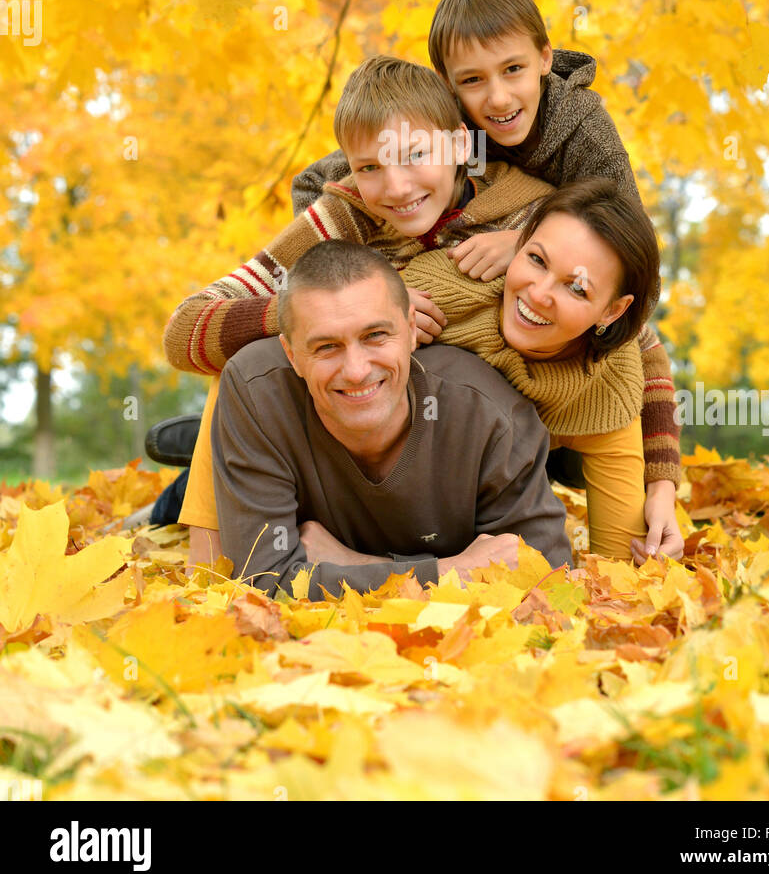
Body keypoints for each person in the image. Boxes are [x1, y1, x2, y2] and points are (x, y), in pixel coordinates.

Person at [159, 56, 679, 564]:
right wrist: (308, 313)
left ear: (459, 143)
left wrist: (662, 480)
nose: (398, 187)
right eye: (370, 167)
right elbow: (185, 331)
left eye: (414, 157)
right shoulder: (345, 217)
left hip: (540, 417)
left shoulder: (528, 221)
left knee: (623, 562)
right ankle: (207, 549)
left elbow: (638, 343)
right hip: (385, 416)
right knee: (247, 366)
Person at [210, 241, 573, 599]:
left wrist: (351, 563)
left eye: (375, 336)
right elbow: (262, 583)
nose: (356, 371)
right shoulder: (256, 389)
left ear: (412, 329)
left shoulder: (491, 416)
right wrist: (451, 571)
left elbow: (549, 583)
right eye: (326, 347)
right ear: (291, 354)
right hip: (268, 466)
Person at [400, 178, 677, 561]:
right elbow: (306, 324)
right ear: (519, 242)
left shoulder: (610, 387)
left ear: (613, 311)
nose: (539, 294)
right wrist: (376, 313)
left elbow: (617, 567)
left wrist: (661, 491)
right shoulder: (442, 288)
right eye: (536, 260)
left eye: (576, 288)